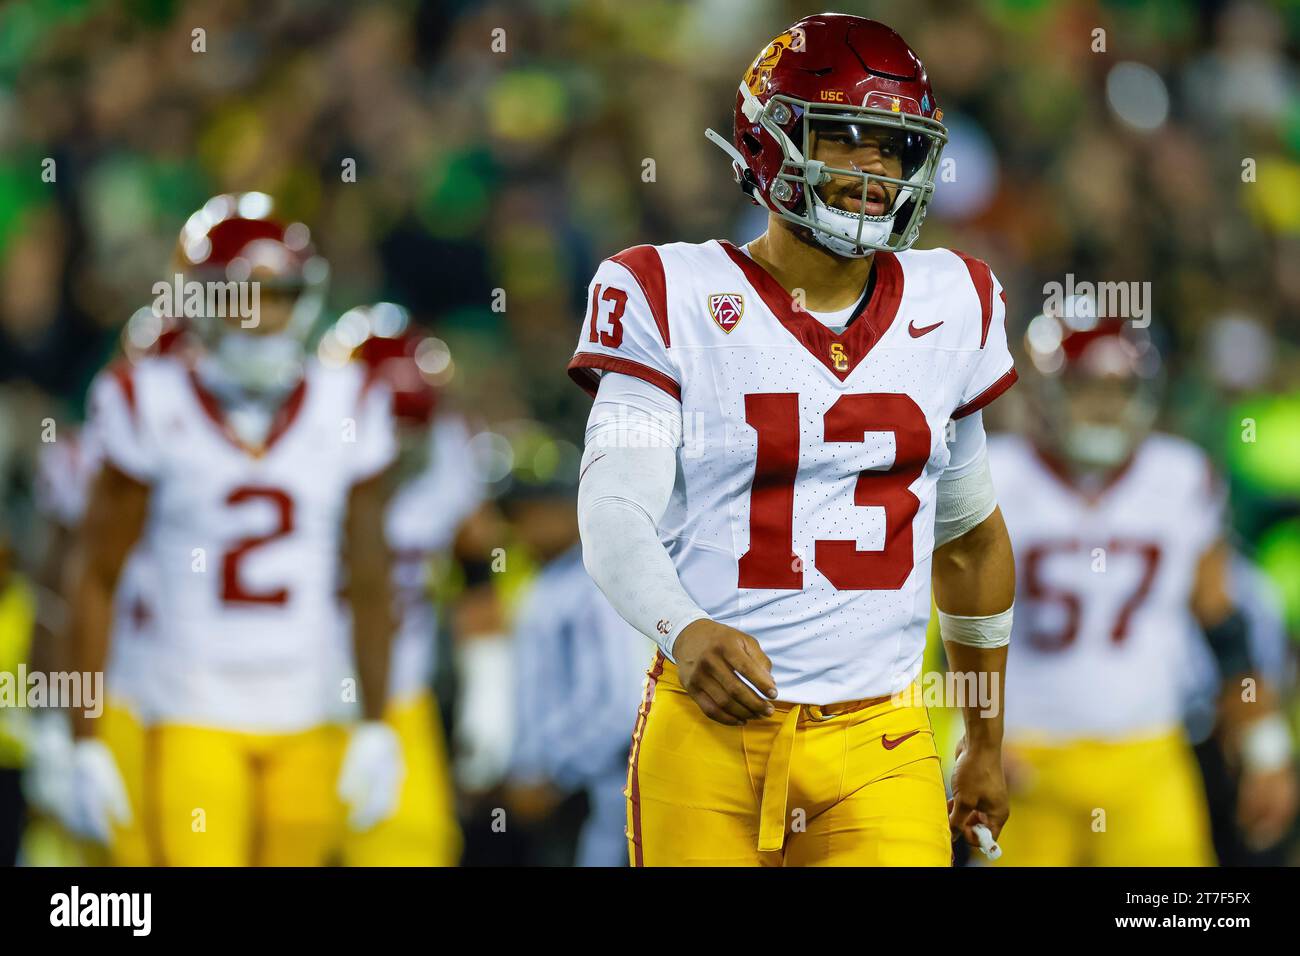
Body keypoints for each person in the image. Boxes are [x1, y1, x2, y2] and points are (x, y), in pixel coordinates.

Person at [571, 14, 1017, 866]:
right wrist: (683, 628)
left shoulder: (955, 298)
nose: (872, 169)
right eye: (844, 137)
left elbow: (968, 540)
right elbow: (614, 505)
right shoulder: (668, 289)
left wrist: (985, 740)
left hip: (880, 741)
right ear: (768, 139)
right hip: (707, 732)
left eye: (892, 146)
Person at [65, 193, 403, 866]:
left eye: (278, 295)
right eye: (243, 297)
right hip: (192, 705)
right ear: (199, 302)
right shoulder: (147, 397)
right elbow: (95, 573)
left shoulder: (350, 400)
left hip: (310, 706)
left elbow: (369, 576)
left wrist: (376, 722)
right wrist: (83, 733)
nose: (263, 317)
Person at [988, 310, 1297, 866]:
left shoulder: (1178, 478)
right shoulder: (994, 477)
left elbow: (1224, 626)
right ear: (1046, 390)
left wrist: (1265, 750)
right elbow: (942, 629)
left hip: (1149, 754)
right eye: (1085, 387)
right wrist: (968, 739)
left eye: (1120, 387)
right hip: (1025, 760)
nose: (1104, 405)